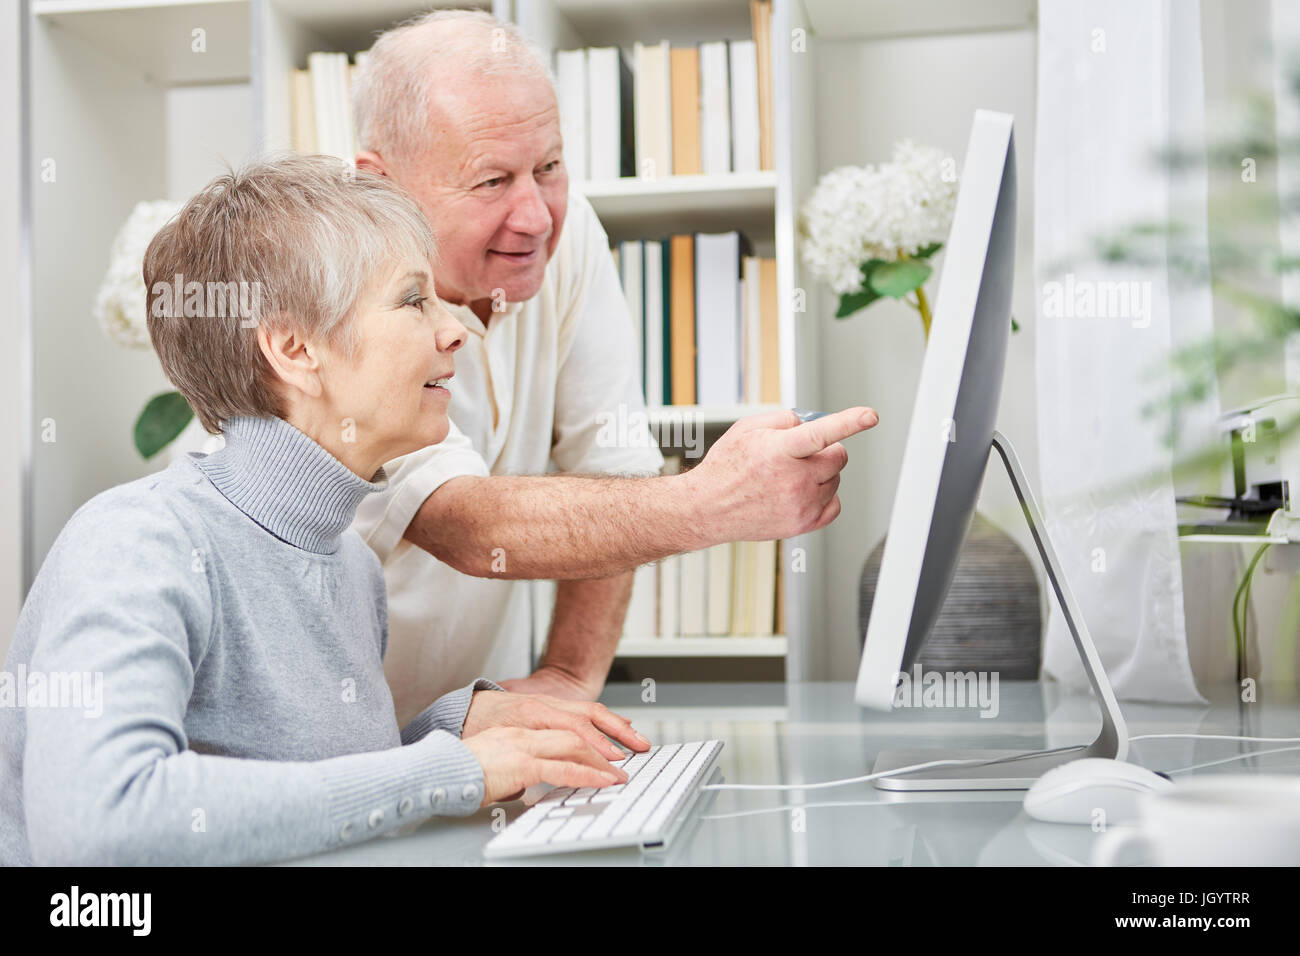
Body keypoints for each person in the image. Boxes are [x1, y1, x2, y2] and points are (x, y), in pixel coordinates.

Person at [0, 155, 647, 866]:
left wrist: (453, 728)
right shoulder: (137, 540)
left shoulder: (348, 563)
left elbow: (298, 786)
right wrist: (452, 771)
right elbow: (98, 820)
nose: (456, 329)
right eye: (412, 300)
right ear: (293, 347)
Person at [352, 10, 879, 723]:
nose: (537, 216)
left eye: (550, 166)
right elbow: (461, 522)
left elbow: (615, 461)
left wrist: (571, 675)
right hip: (340, 743)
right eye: (490, 182)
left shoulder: (562, 242)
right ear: (381, 185)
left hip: (483, 735)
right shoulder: (334, 284)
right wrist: (711, 502)